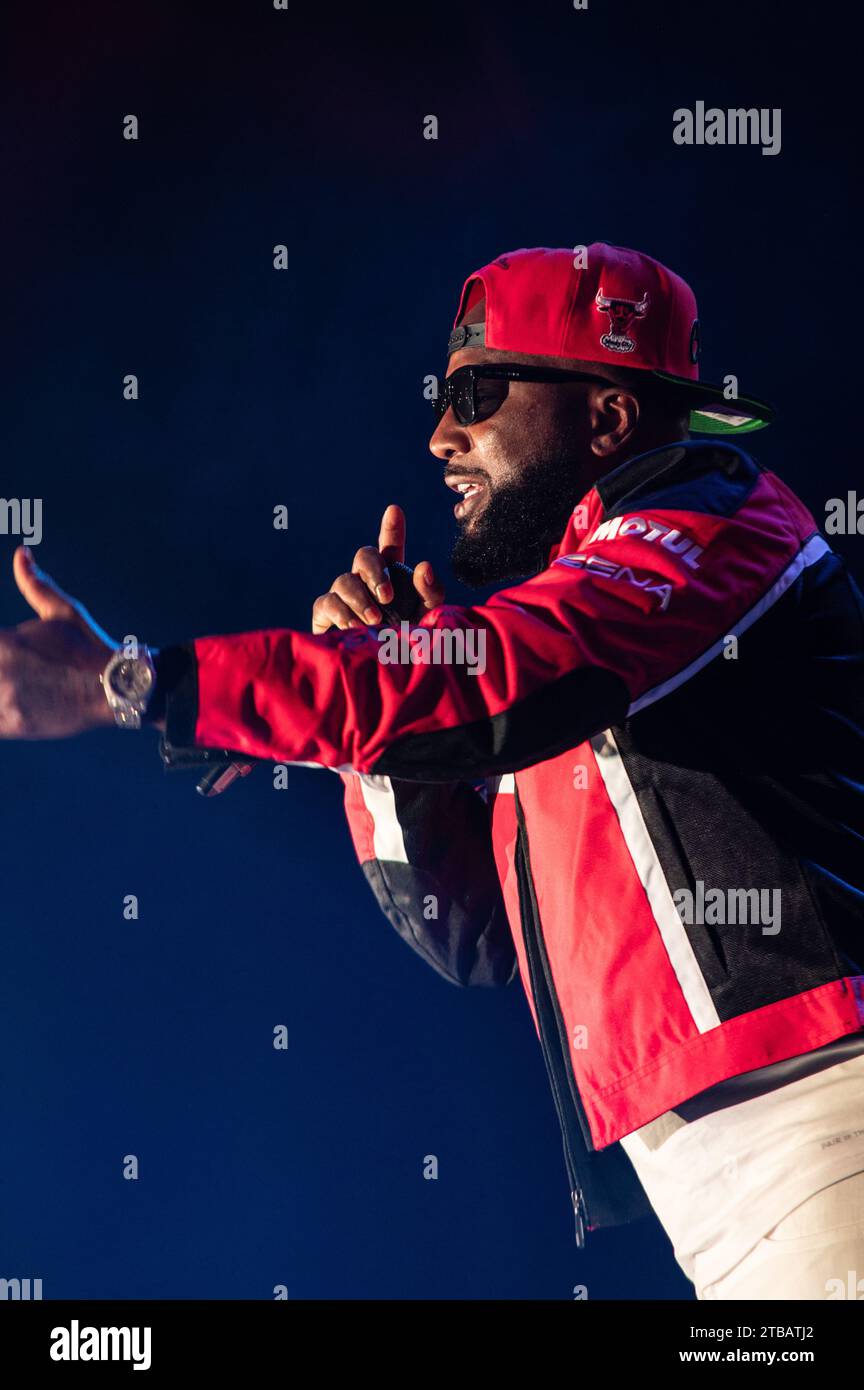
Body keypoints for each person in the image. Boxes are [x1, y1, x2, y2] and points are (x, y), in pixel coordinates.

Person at [2, 243, 863, 1300]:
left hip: (825, 1130)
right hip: (735, 1191)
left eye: (478, 392)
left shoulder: (715, 521)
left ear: (605, 418)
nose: (441, 434)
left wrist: (132, 683)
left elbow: (485, 682)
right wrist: (389, 749)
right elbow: (483, 939)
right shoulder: (583, 648)